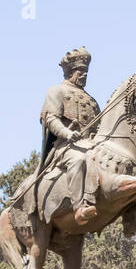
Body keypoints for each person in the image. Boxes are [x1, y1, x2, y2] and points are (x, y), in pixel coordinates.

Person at [38, 47, 104, 225]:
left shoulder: (91, 100)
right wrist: (67, 133)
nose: (84, 75)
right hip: (66, 147)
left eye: (86, 72)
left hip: (92, 144)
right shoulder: (57, 91)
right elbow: (50, 119)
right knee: (79, 159)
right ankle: (79, 207)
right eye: (80, 71)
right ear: (69, 72)